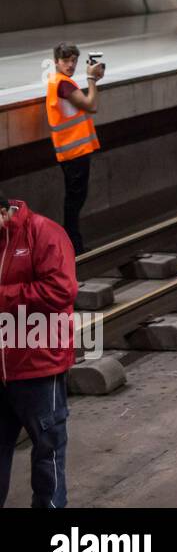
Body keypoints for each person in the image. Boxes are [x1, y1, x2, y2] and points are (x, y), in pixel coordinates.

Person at [0, 193, 77, 508]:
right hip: (2, 367)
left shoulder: (44, 233)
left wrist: (3, 297)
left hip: (38, 364)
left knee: (48, 450)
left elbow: (61, 289)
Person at [45, 43, 103, 255]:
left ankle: (72, 243)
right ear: (56, 62)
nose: (70, 65)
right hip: (74, 152)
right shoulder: (63, 85)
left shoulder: (58, 82)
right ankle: (73, 245)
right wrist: (91, 80)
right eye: (66, 61)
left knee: (74, 198)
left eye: (73, 61)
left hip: (70, 151)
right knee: (75, 200)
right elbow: (92, 105)